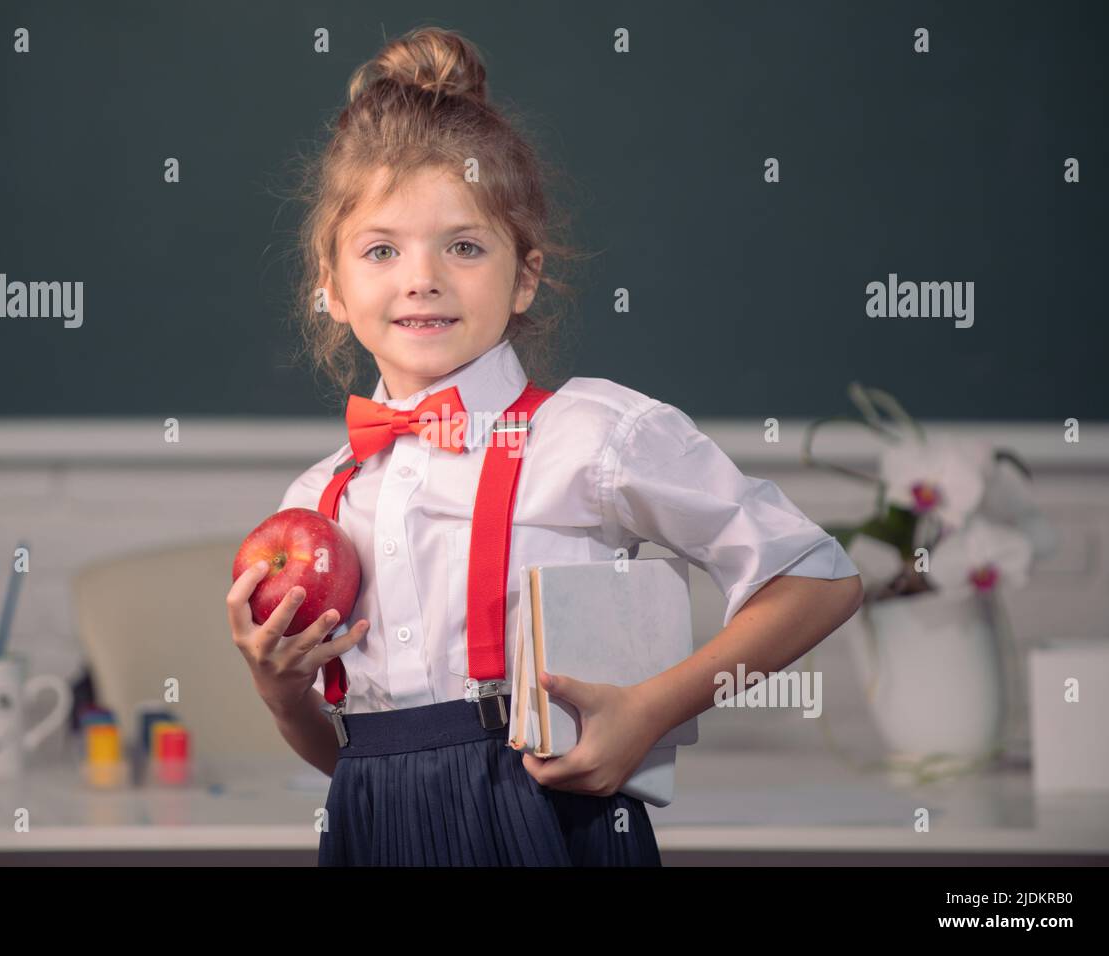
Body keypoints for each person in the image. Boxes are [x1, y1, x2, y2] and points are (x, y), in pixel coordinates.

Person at [227, 26, 863, 866]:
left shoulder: (595, 435)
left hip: (556, 831)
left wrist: (651, 710)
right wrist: (279, 693)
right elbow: (357, 765)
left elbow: (818, 579)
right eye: (381, 250)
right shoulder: (319, 501)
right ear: (332, 286)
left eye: (464, 246)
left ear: (525, 274)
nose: (421, 278)